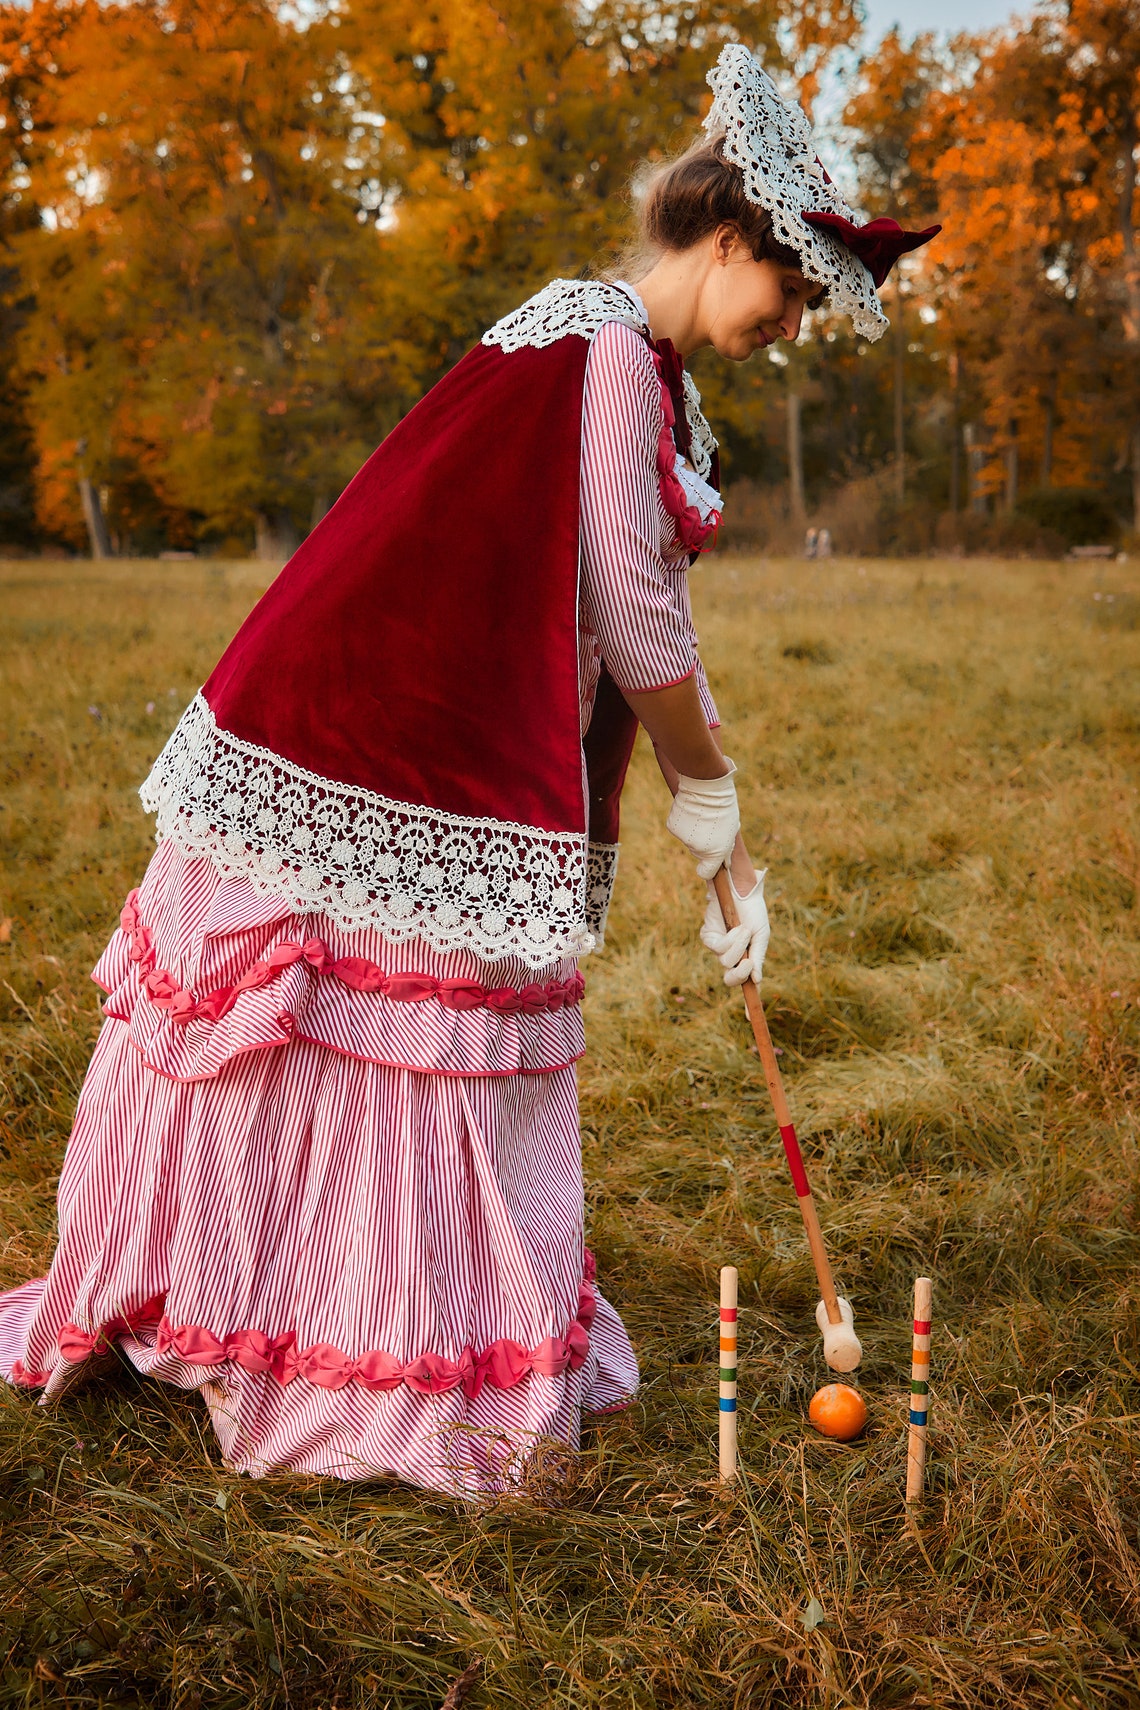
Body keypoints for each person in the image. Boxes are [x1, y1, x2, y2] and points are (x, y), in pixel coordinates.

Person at [0, 46, 936, 1497]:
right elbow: (629, 603)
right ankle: (333, 1339)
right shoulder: (607, 349)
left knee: (364, 1039)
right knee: (349, 1027)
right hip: (376, 731)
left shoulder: (628, 364)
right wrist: (708, 796)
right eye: (793, 287)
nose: (796, 324)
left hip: (397, 726)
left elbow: (635, 611)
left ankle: (306, 1305)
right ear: (728, 238)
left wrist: (722, 832)